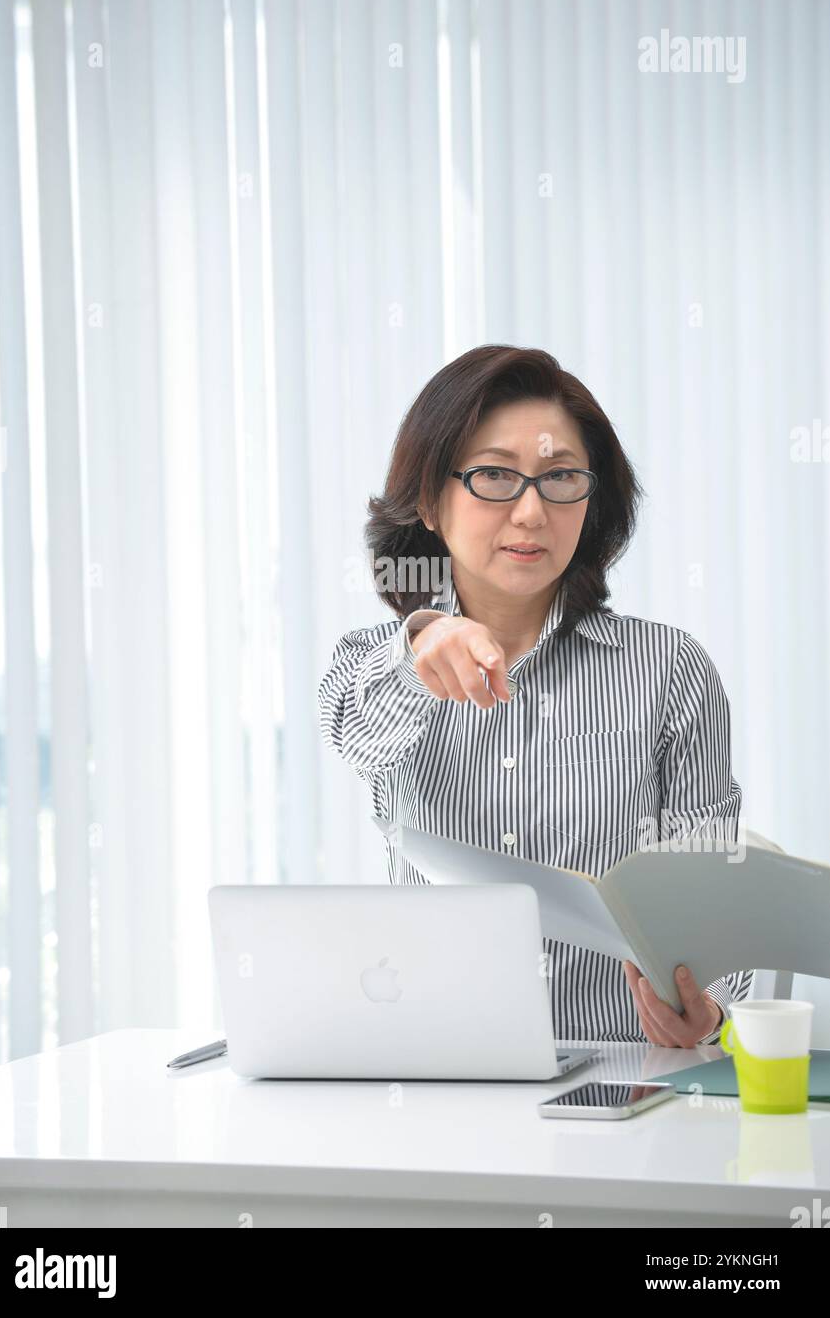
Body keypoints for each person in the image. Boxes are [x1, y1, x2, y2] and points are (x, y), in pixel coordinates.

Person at [317, 345, 753, 1045]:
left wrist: (709, 1009)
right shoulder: (369, 663)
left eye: (560, 479)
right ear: (429, 499)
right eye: (493, 475)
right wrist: (421, 640)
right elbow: (358, 735)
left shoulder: (670, 668)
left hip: (627, 1079)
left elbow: (710, 890)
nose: (529, 512)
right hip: (434, 1073)